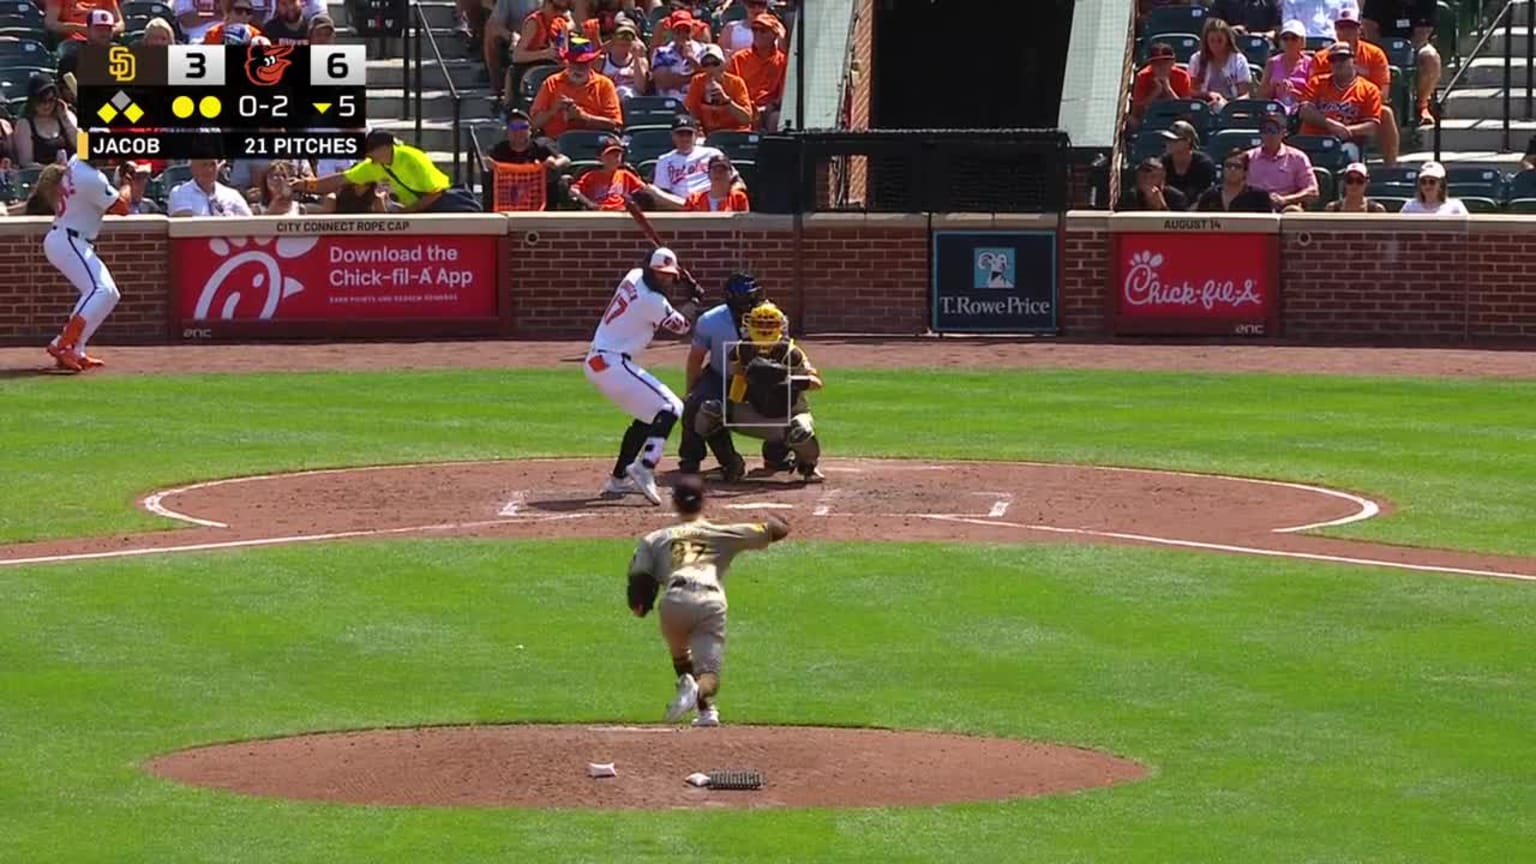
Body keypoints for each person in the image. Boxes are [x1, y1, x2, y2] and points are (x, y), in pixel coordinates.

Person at [626, 474, 791, 727]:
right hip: (709, 601)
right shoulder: (721, 533)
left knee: (681, 657)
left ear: (674, 502)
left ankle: (706, 712)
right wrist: (774, 517)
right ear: (704, 501)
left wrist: (639, 607)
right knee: (709, 676)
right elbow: (777, 530)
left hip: (674, 601)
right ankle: (698, 695)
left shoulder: (654, 538)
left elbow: (639, 582)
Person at [586, 247, 702, 504]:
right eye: (659, 273)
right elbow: (681, 326)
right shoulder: (652, 301)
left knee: (650, 414)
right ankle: (645, 466)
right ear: (649, 270)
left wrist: (681, 286)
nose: (663, 278)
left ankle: (618, 478)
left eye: (668, 275)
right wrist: (694, 301)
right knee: (672, 407)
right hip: (612, 362)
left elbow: (663, 301)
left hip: (601, 361)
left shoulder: (634, 275)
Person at [702, 301, 824, 482]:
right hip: (754, 413)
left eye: (770, 324)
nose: (765, 329)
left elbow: (816, 383)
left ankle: (808, 466)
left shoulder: (791, 353)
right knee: (710, 411)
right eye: (760, 324)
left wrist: (786, 380)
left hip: (788, 414)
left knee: (801, 431)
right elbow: (736, 384)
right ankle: (731, 465)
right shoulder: (741, 350)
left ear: (780, 325)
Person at [43, 155, 130, 372]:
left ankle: (76, 349)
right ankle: (63, 344)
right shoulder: (92, 178)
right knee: (100, 290)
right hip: (68, 239)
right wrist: (127, 183)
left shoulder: (76, 161)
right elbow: (122, 207)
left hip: (69, 238)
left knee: (109, 293)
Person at [677, 272, 767, 478]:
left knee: (785, 399)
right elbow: (696, 359)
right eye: (746, 297)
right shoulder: (710, 320)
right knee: (695, 405)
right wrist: (691, 390)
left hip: (760, 379)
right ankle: (695, 459)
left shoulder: (771, 317)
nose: (751, 303)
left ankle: (777, 456)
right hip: (721, 376)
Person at [304, 130, 481, 212]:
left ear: (386, 148)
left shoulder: (412, 157)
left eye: (371, 151)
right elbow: (339, 180)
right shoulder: (373, 165)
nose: (368, 156)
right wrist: (303, 185)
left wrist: (408, 212)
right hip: (416, 211)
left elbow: (435, 193)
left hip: (442, 206)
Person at [1308, 7, 1399, 164]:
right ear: (1335, 30)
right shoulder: (1322, 57)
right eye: (1341, 27)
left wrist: (1354, 102)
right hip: (1328, 110)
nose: (1346, 32)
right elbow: (1313, 93)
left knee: (1385, 112)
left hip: (1362, 108)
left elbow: (1382, 94)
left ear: (1359, 29)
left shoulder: (1375, 54)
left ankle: (1390, 168)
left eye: (1351, 27)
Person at [1297, 41, 1381, 164]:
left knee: (1348, 154)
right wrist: (1330, 124)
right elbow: (1304, 111)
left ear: (1354, 60)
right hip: (1313, 141)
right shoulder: (1317, 82)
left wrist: (1348, 130)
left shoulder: (1369, 89)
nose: (1338, 63)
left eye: (1343, 58)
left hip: (1345, 143)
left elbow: (1372, 126)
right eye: (1333, 60)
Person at [1362, 0, 1440, 125]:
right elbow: (1369, 27)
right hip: (1381, 45)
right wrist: (1381, 51)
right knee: (1363, 57)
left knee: (1430, 57)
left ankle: (1421, 105)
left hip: (1415, 45)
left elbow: (1423, 32)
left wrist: (1405, 52)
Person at [528, 36, 623, 139]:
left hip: (594, 141)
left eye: (584, 63)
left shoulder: (604, 85)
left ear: (591, 63)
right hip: (555, 141)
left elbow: (614, 124)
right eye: (575, 63)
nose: (579, 68)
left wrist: (584, 117)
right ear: (567, 62)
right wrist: (553, 110)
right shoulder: (552, 83)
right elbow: (533, 124)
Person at [1246, 112, 1319, 210]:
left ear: (1284, 132)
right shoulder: (1248, 157)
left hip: (1286, 207)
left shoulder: (1297, 158)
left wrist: (1285, 200)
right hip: (1254, 208)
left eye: (1274, 130)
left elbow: (1313, 192)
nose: (1269, 134)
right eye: (1265, 130)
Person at [727, 12, 786, 130]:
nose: (757, 34)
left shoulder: (783, 61)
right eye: (754, 30)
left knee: (776, 119)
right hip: (743, 106)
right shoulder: (738, 58)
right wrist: (748, 106)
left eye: (763, 31)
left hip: (769, 109)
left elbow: (782, 94)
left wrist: (770, 106)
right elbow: (731, 89)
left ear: (774, 35)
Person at [686, 44, 754, 135]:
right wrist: (698, 129)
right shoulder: (697, 81)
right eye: (706, 64)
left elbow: (746, 119)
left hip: (735, 132)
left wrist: (726, 100)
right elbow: (692, 112)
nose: (711, 68)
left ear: (722, 64)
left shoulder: (736, 83)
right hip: (710, 134)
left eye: (715, 63)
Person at [14, 73, 79, 169]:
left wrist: (65, 118)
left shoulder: (66, 115)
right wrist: (55, 169)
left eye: (51, 100)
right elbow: (26, 163)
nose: (47, 105)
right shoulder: (24, 124)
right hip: (42, 175)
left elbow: (82, 146)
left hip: (74, 171)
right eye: (41, 101)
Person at [651, 115, 723, 199]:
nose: (685, 139)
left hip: (711, 201)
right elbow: (663, 192)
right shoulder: (664, 160)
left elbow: (732, 180)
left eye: (689, 135)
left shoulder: (712, 154)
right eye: (680, 135)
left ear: (696, 135)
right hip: (679, 203)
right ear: (673, 136)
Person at [1188, 16, 1252, 110]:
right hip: (1205, 105)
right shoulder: (1196, 59)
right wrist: (1209, 95)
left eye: (1220, 40)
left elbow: (1245, 94)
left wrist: (1229, 106)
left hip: (1232, 106)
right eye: (1212, 41)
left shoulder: (1238, 60)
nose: (1216, 45)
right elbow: (1190, 91)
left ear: (1227, 40)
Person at [1129, 41, 1194, 132]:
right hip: (1150, 119)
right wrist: (1155, 92)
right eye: (1156, 63)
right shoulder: (1142, 76)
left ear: (1172, 62)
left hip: (1176, 119)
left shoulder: (1182, 76)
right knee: (1132, 122)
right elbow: (1137, 112)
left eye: (1166, 61)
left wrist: (1168, 89)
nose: (1161, 66)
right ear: (1151, 64)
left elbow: (1187, 112)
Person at [649, 153, 751, 211]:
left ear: (731, 174)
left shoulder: (738, 198)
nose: (719, 173)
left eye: (723, 170)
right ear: (708, 174)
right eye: (715, 170)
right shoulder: (695, 199)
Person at [568, 136, 646, 210]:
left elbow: (644, 188)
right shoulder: (591, 176)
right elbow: (573, 190)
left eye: (616, 156)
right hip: (599, 212)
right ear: (600, 158)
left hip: (621, 212)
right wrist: (589, 203)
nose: (613, 160)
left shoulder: (626, 175)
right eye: (609, 156)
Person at [1260, 20, 1315, 114]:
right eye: (1285, 38)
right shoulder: (1272, 63)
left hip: (1300, 111)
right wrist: (1273, 86)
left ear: (1302, 41)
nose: (1289, 42)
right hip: (1275, 111)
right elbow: (1261, 97)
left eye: (1294, 38)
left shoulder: (1310, 63)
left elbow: (1313, 97)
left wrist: (1294, 93)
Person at [651, 10, 707, 100]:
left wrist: (691, 59)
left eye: (686, 30)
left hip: (696, 102)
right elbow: (664, 82)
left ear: (692, 31)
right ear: (672, 32)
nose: (682, 34)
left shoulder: (704, 50)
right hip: (669, 103)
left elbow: (709, 78)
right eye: (678, 31)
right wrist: (694, 77)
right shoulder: (661, 52)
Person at [1197, 149, 1276, 211]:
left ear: (1245, 171)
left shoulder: (1259, 197)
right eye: (1228, 165)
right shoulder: (1210, 196)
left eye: (1237, 166)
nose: (1232, 169)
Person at [167, 159, 253, 216]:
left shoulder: (232, 195)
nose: (209, 170)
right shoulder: (180, 193)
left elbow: (250, 224)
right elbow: (186, 226)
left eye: (213, 164)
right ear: (193, 168)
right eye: (204, 165)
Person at [1159, 120, 1216, 202]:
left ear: (1188, 141)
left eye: (1174, 140)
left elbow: (1204, 196)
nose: (1169, 143)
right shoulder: (1162, 163)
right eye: (1167, 139)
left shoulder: (1203, 164)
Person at [598, 20, 648, 100]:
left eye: (629, 36)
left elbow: (641, 89)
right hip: (608, 98)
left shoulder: (641, 61)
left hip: (632, 100)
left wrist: (636, 57)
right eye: (621, 35)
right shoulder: (602, 61)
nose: (625, 38)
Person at [1117, 157, 1189, 211]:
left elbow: (1178, 223)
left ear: (1162, 178)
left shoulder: (1177, 198)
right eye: (1144, 177)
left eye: (1153, 177)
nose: (1148, 181)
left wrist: (1162, 206)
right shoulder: (1129, 198)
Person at [1400, 160, 1467, 215]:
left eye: (1432, 182)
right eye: (1423, 182)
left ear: (1441, 184)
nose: (1427, 186)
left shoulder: (1455, 207)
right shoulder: (1409, 207)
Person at [1211, 0, 1281, 37]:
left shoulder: (1270, 2)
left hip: (1260, 49)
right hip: (1230, 47)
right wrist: (1229, 30)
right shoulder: (1223, 2)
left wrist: (1260, 35)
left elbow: (1276, 32)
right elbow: (1212, 26)